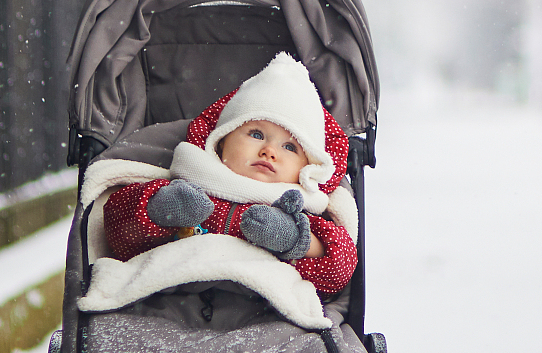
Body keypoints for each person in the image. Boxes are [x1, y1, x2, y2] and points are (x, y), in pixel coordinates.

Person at [102, 53, 358, 298]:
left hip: (261, 316)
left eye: (289, 147)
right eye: (256, 134)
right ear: (222, 140)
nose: (269, 151)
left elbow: (339, 272)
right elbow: (118, 234)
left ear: (306, 167)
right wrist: (160, 209)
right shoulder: (189, 183)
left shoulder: (300, 214)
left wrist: (293, 238)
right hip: (168, 297)